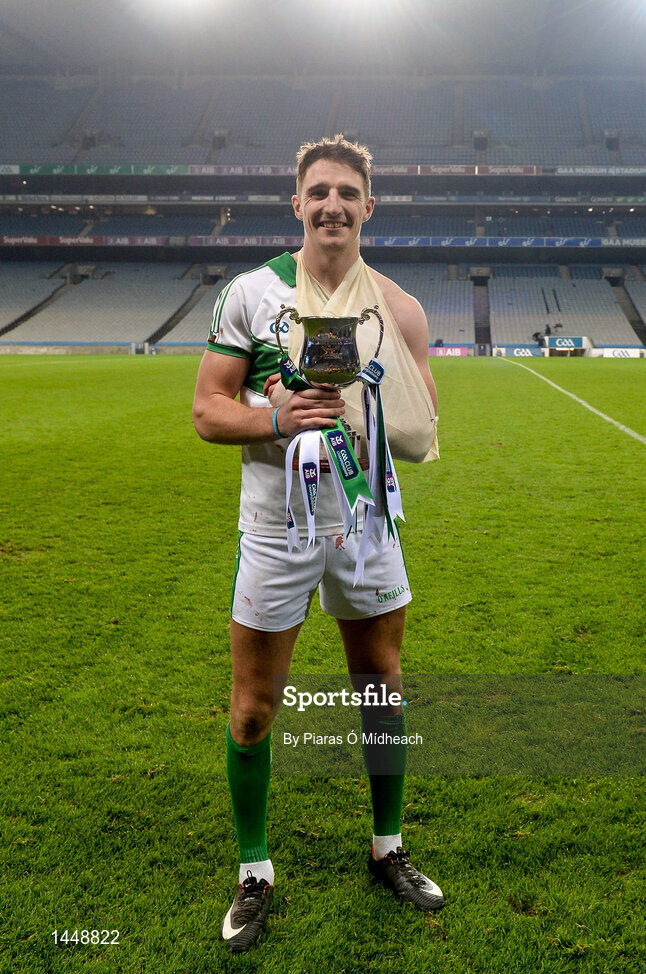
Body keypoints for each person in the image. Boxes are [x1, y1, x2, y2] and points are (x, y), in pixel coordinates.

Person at [193, 134, 442, 954]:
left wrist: (377, 398)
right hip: (276, 526)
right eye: (319, 192)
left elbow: (419, 425)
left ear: (370, 206)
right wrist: (276, 415)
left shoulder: (399, 309)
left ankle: (387, 849)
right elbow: (207, 410)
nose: (333, 205)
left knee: (381, 691)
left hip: (368, 522)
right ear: (297, 204)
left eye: (348, 193)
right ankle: (255, 872)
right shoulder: (253, 294)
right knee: (256, 708)